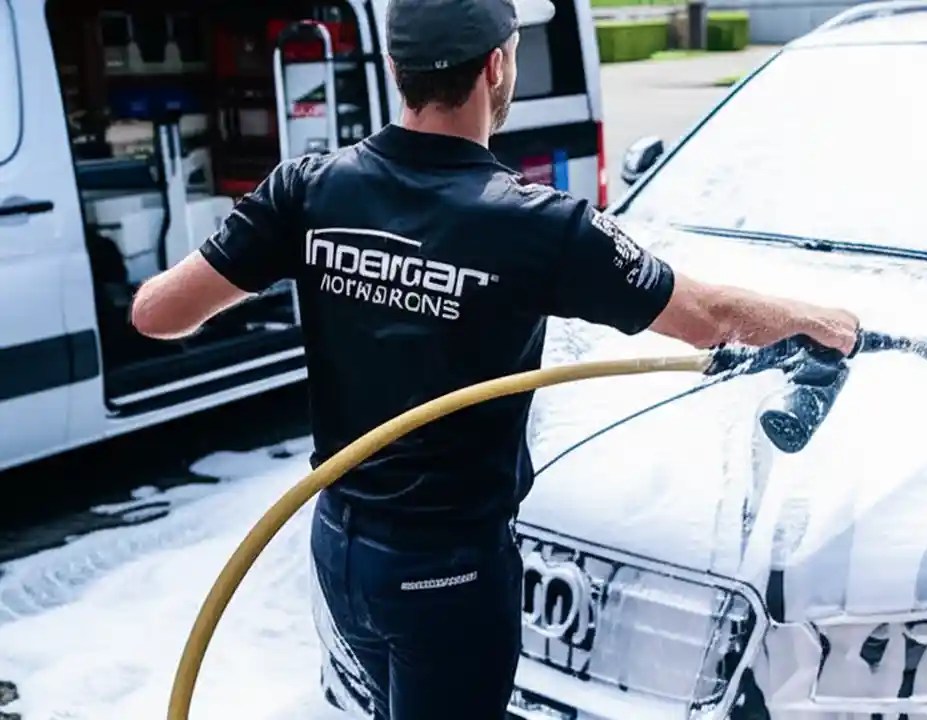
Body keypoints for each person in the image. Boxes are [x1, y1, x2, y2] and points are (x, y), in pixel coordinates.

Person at [129, 0, 860, 716]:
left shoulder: (309, 189)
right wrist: (821, 321)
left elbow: (156, 314)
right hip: (446, 575)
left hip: (340, 549)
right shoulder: (537, 226)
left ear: (395, 68)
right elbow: (707, 318)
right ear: (497, 65)